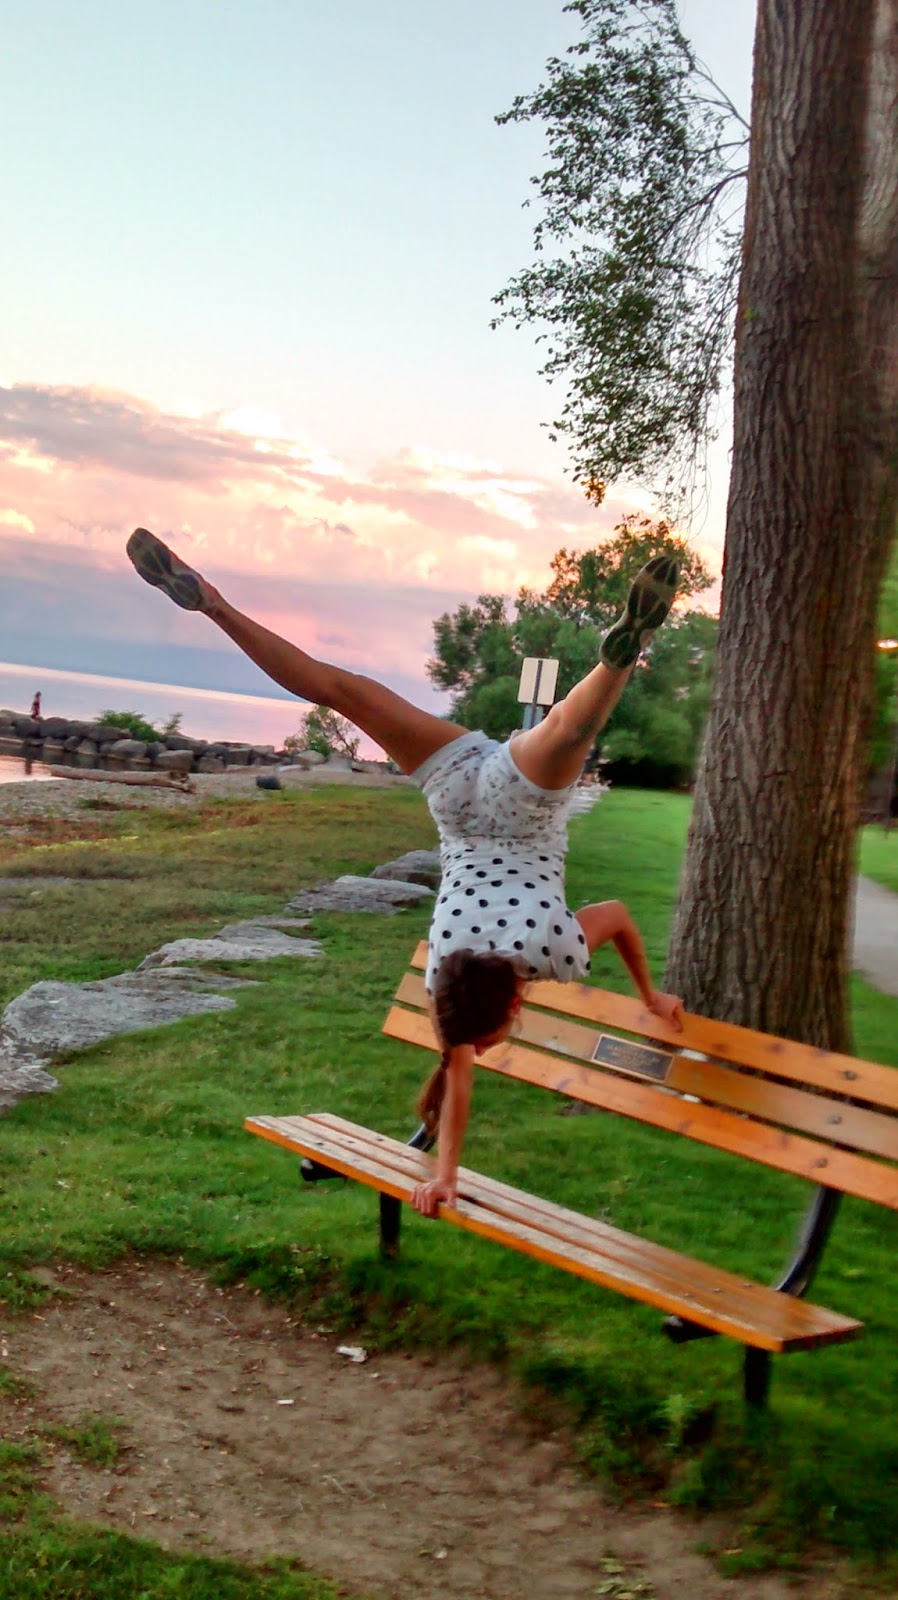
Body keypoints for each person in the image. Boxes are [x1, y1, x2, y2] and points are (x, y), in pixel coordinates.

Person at [125, 526, 683, 1217]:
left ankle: (620, 660)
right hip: (454, 798)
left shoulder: (552, 953)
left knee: (571, 729)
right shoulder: (442, 972)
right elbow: (457, 1063)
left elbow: (620, 919)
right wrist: (443, 1171)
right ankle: (211, 603)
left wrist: (651, 996)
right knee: (341, 691)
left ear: (512, 1005)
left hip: (522, 805)